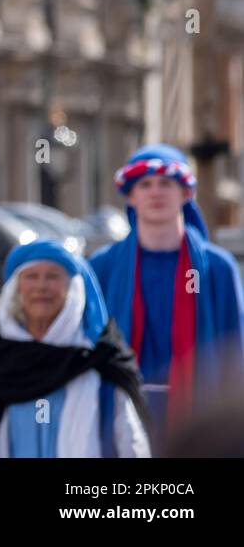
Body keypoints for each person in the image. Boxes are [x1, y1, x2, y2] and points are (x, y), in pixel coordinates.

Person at [90, 144, 244, 450]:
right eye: (144, 184)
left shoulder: (217, 267)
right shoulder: (102, 265)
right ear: (131, 197)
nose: (155, 192)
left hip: (198, 415)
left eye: (166, 183)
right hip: (122, 412)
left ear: (186, 194)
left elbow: (234, 347)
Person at [0, 239, 151, 457]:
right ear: (16, 289)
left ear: (72, 289)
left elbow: (131, 445)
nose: (41, 286)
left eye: (52, 276)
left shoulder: (101, 365)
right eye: (32, 276)